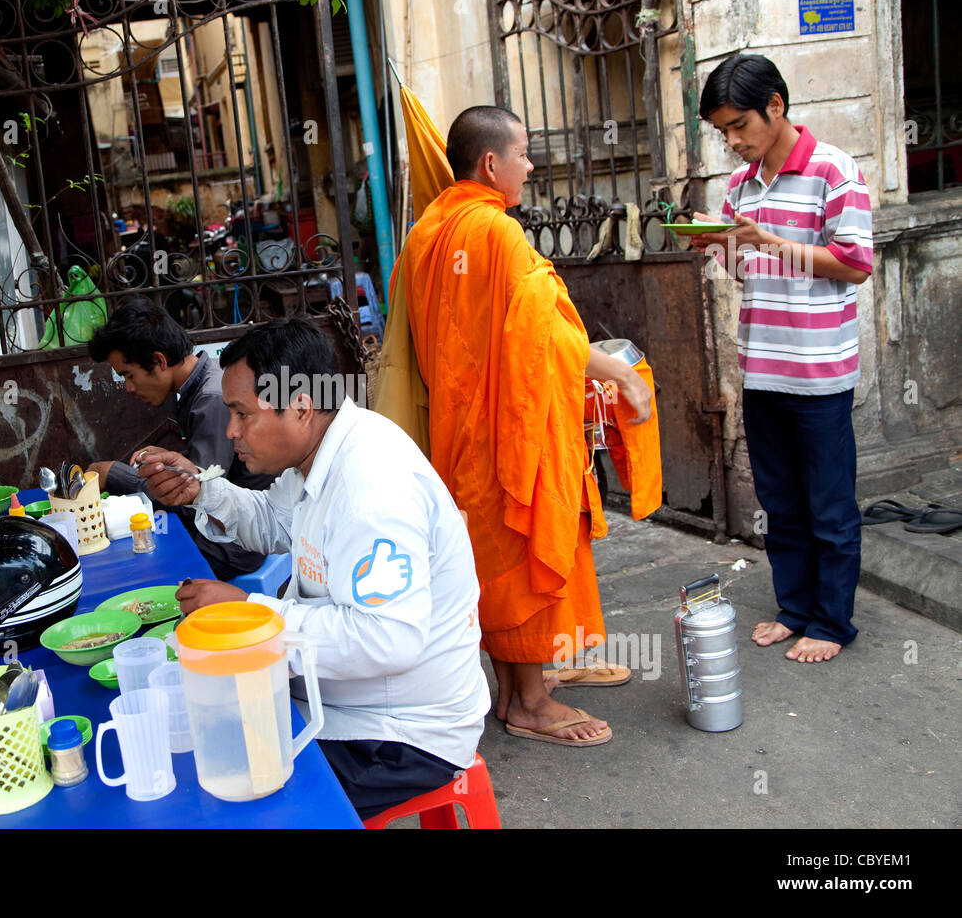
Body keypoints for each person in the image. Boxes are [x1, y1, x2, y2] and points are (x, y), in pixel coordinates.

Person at [137, 318, 489, 818]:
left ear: (300, 405)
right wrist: (204, 490)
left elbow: (387, 637)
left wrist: (251, 614)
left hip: (398, 734)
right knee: (207, 740)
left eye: (242, 413)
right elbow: (275, 521)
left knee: (234, 801)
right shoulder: (319, 455)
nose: (232, 430)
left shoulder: (372, 487)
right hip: (339, 702)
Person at [403, 105, 652, 746]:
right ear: (491, 163)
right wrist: (618, 373)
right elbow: (543, 339)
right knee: (523, 547)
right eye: (524, 153)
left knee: (492, 555)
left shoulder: (429, 228)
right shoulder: (494, 232)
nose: (531, 164)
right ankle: (529, 703)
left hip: (460, 429)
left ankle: (527, 679)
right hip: (506, 428)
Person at [687, 54, 872, 663]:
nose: (734, 142)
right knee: (782, 504)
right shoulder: (739, 188)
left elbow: (854, 266)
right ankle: (795, 609)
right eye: (723, 132)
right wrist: (724, 249)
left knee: (829, 505)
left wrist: (772, 242)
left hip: (819, 371)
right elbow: (751, 274)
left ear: (776, 106)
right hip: (762, 369)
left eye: (740, 125)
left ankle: (832, 622)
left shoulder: (834, 170)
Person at [85, 297, 273, 580]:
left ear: (159, 360)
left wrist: (114, 475)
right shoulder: (197, 388)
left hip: (232, 543)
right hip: (218, 526)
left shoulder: (210, 399)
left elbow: (194, 493)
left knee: (133, 566)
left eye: (129, 375)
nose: (129, 387)